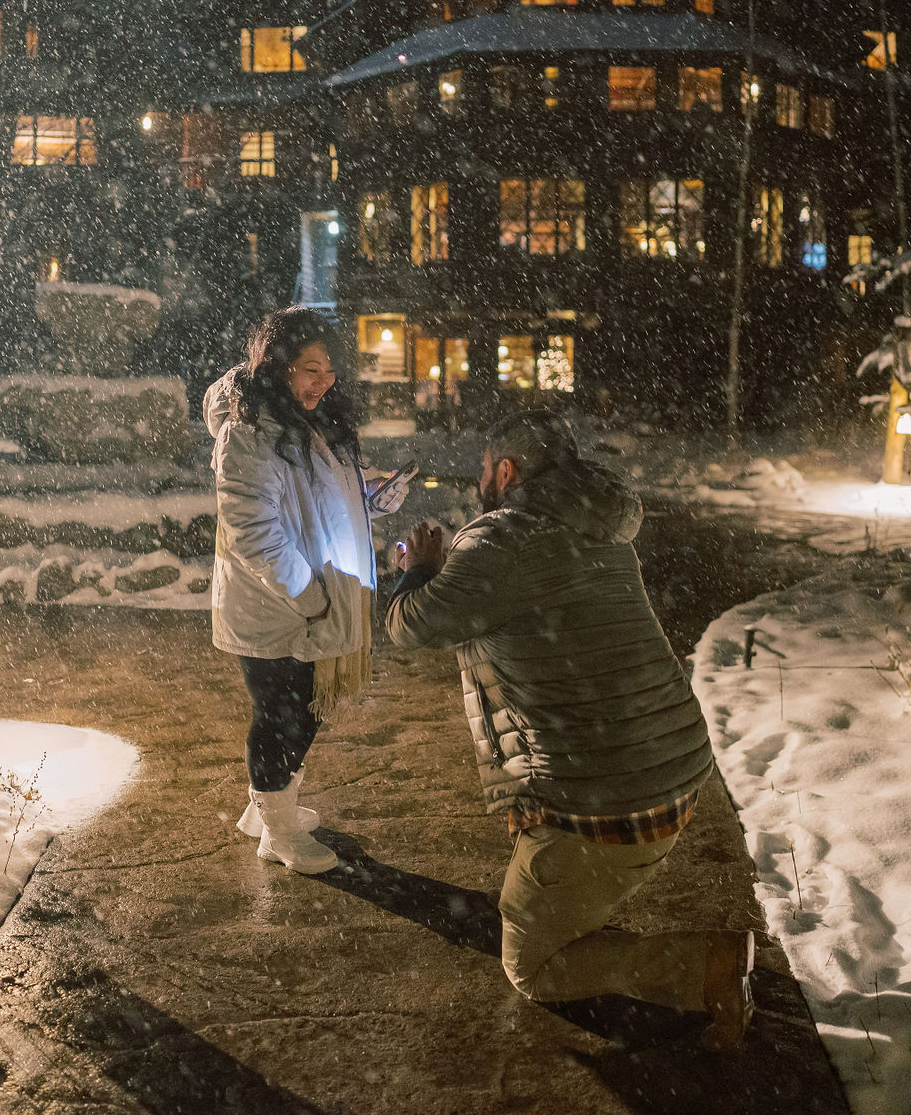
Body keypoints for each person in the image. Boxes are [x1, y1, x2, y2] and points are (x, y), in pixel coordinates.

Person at [385, 409, 756, 1048]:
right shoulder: (600, 528)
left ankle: (708, 968)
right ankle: (582, 901)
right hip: (672, 760)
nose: (481, 482)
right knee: (557, 894)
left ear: (505, 471)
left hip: (605, 789)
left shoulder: (501, 540)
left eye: (484, 470)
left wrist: (418, 567)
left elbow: (413, 625)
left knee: (532, 965)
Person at [204, 307, 412, 875]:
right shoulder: (250, 435)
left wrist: (369, 497)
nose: (322, 381)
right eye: (309, 368)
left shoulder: (315, 422)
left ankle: (266, 808)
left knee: (304, 714)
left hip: (315, 603)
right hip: (277, 607)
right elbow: (255, 534)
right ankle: (280, 832)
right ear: (277, 366)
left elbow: (317, 501)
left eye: (329, 370)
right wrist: (313, 599)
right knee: (284, 717)